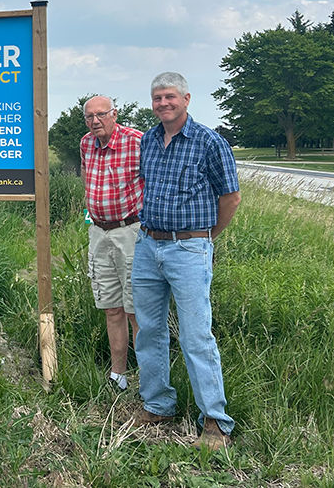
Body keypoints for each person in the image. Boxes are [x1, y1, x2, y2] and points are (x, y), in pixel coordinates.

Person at [131, 72, 242, 451]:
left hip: (189, 249)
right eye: (157, 98)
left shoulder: (210, 142)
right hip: (148, 246)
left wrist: (206, 238)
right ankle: (158, 404)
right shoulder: (148, 139)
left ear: (187, 99)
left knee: (196, 336)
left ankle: (214, 421)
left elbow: (230, 198)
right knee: (148, 330)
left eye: (170, 97)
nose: (163, 104)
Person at [80, 95, 143, 391]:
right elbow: (85, 177)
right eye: (89, 117)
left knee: (136, 309)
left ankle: (147, 376)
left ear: (114, 114)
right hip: (98, 232)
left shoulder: (137, 142)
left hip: (130, 230)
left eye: (101, 115)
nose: (95, 121)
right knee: (111, 307)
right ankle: (118, 375)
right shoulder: (85, 144)